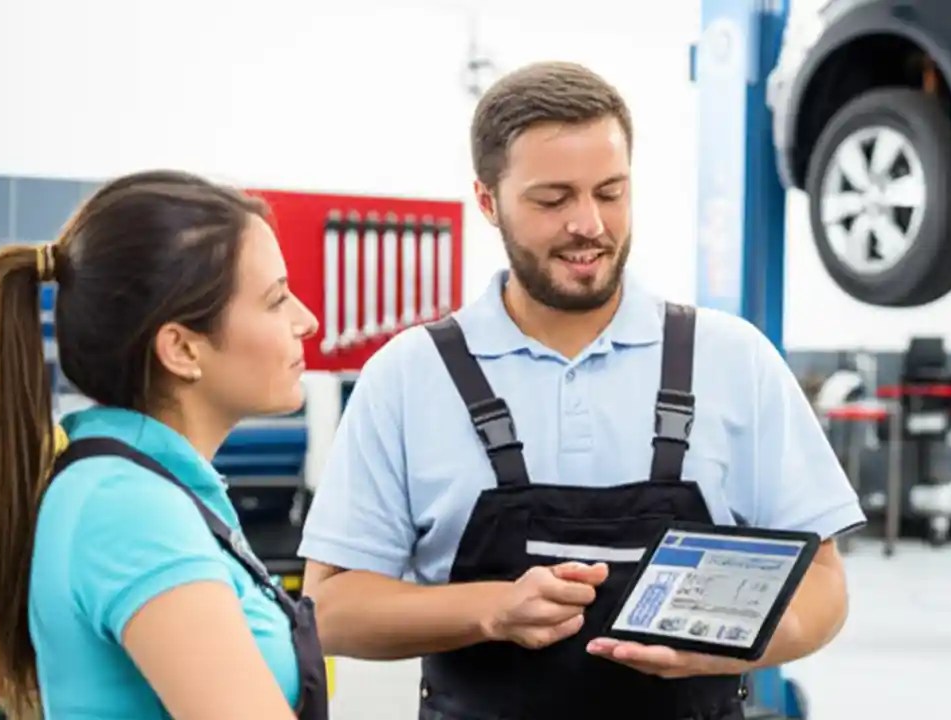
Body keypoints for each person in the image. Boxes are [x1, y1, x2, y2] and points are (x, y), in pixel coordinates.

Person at [298, 61, 866, 720]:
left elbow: (824, 585)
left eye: (610, 192)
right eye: (553, 198)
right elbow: (331, 610)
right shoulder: (408, 376)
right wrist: (492, 611)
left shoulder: (734, 362)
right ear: (488, 201)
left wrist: (735, 649)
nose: (589, 223)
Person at [0, 170, 330, 719]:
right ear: (183, 350)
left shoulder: (146, 490)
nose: (305, 321)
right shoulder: (128, 508)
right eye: (276, 299)